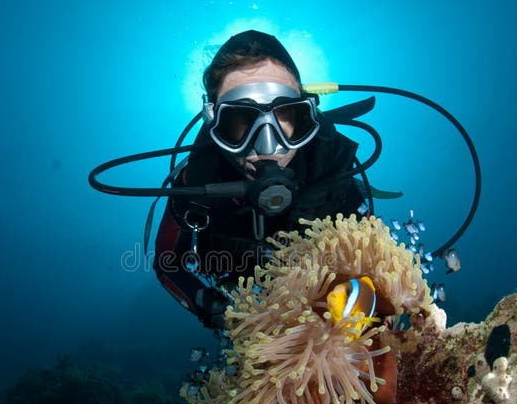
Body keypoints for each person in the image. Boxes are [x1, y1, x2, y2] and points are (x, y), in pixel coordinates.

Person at [154, 30, 367, 330]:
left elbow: (368, 262)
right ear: (214, 121)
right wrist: (215, 310)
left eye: (285, 113)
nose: (267, 145)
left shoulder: (331, 165)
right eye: (241, 120)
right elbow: (168, 265)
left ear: (306, 115)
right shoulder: (197, 180)